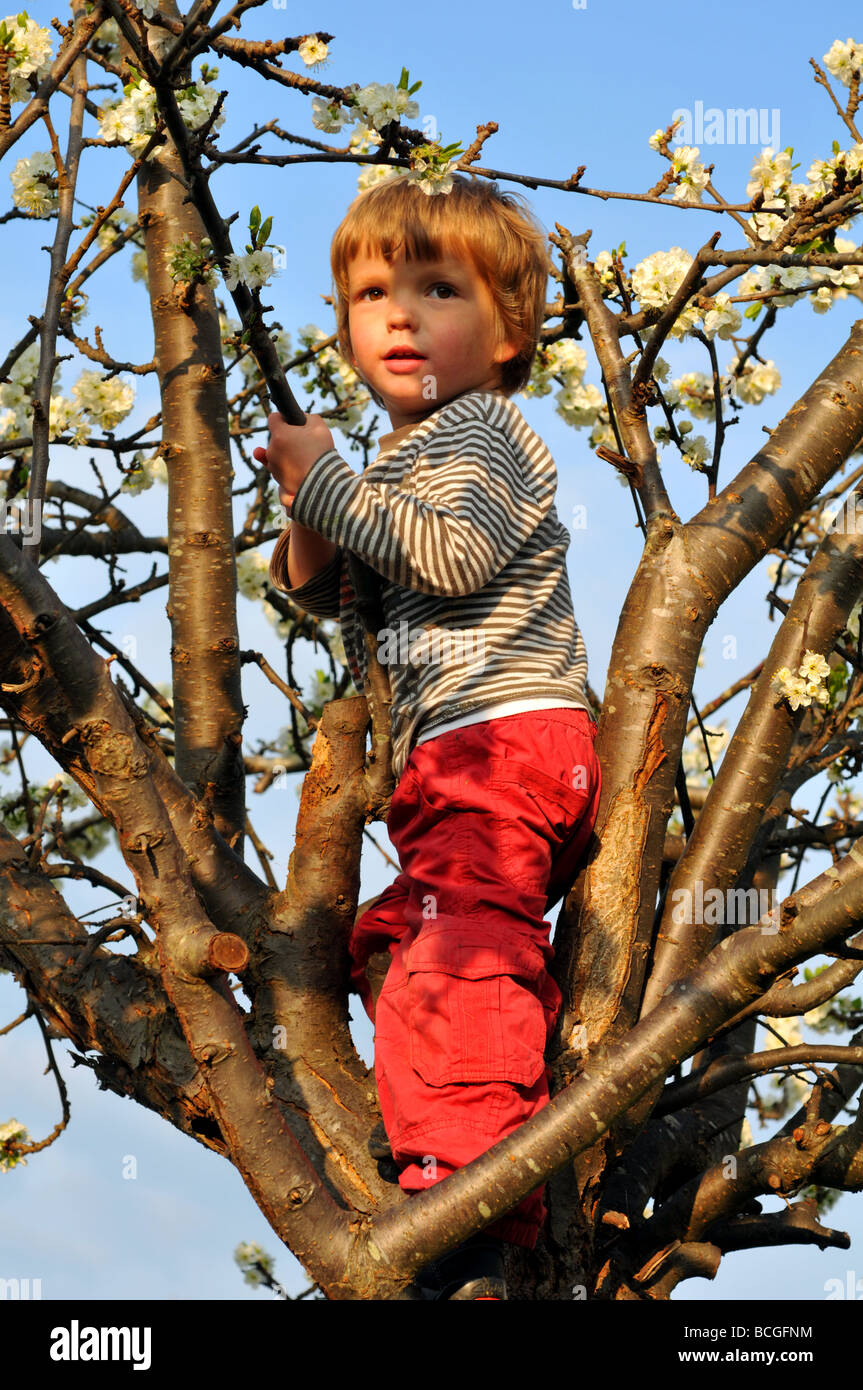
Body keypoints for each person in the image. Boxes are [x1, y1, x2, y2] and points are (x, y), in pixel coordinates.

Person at [257, 172, 601, 1299]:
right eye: (368, 295)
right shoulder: (396, 460)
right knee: (408, 942)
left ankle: (478, 1176)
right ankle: (452, 1129)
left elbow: (445, 556)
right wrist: (312, 503)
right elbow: (319, 589)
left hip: (502, 739)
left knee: (463, 948)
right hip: (449, 763)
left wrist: (334, 487)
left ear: (507, 335)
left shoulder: (486, 434)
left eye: (436, 288)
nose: (396, 315)